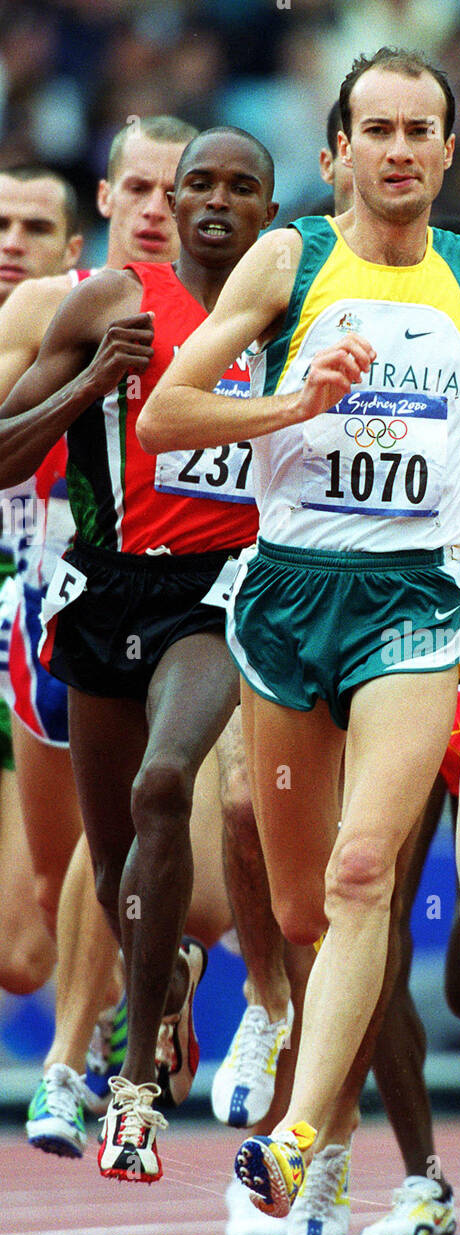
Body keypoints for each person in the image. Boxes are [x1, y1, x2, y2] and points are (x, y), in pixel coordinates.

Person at [137, 47, 460, 1221]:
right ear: (336, 151)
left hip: (411, 605)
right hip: (285, 596)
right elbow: (168, 413)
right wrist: (293, 403)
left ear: (443, 147)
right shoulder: (289, 259)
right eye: (373, 130)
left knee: (365, 867)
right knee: (297, 914)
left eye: (417, 130)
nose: (396, 150)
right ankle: (316, 1112)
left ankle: (298, 1132)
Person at [0, 125, 279, 1180]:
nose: (204, 201)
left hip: (216, 594)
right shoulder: (110, 304)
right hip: (103, 586)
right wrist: (89, 390)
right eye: (187, 183)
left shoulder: (290, 317)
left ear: (267, 208)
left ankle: (133, 1094)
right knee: (109, 859)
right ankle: (161, 984)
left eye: (232, 186)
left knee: (168, 782)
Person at [0, 164, 85, 1004]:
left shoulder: (85, 336)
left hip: (32, 635)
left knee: (24, 951)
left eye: (32, 229)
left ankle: (108, 1020)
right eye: (0, 225)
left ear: (70, 252)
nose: (10, 244)